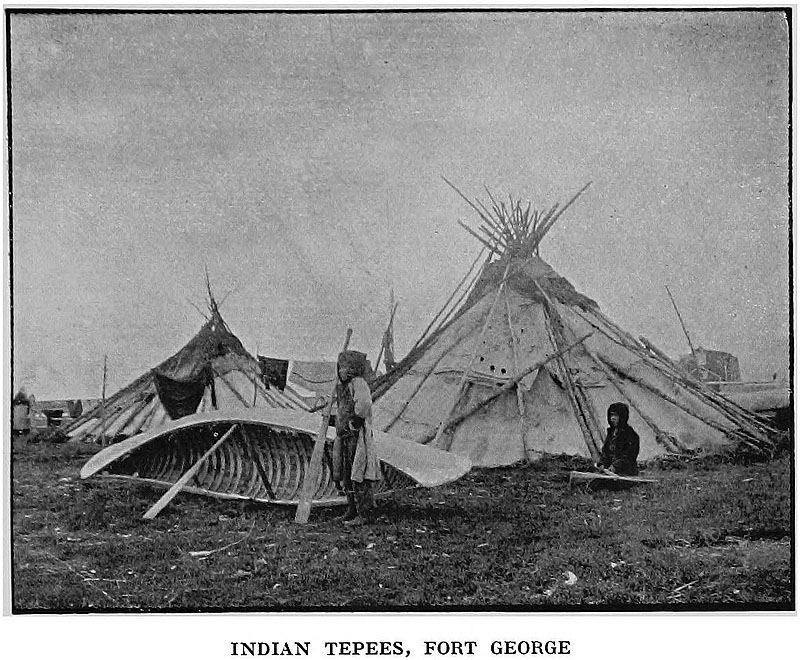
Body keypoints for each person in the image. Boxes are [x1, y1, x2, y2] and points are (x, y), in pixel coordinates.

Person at [331, 350, 380, 526]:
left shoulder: (358, 383)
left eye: (344, 368)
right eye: (340, 367)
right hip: (344, 435)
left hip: (356, 436)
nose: (341, 371)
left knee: (359, 473)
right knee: (346, 473)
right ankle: (352, 508)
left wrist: (357, 420)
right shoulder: (342, 385)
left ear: (352, 369)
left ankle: (365, 512)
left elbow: (365, 402)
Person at [596, 402, 640, 476]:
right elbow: (605, 452)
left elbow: (629, 456)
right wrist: (602, 464)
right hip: (610, 472)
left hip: (625, 472)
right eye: (611, 415)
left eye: (615, 415)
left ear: (622, 416)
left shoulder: (630, 434)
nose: (612, 418)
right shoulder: (611, 433)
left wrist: (616, 466)